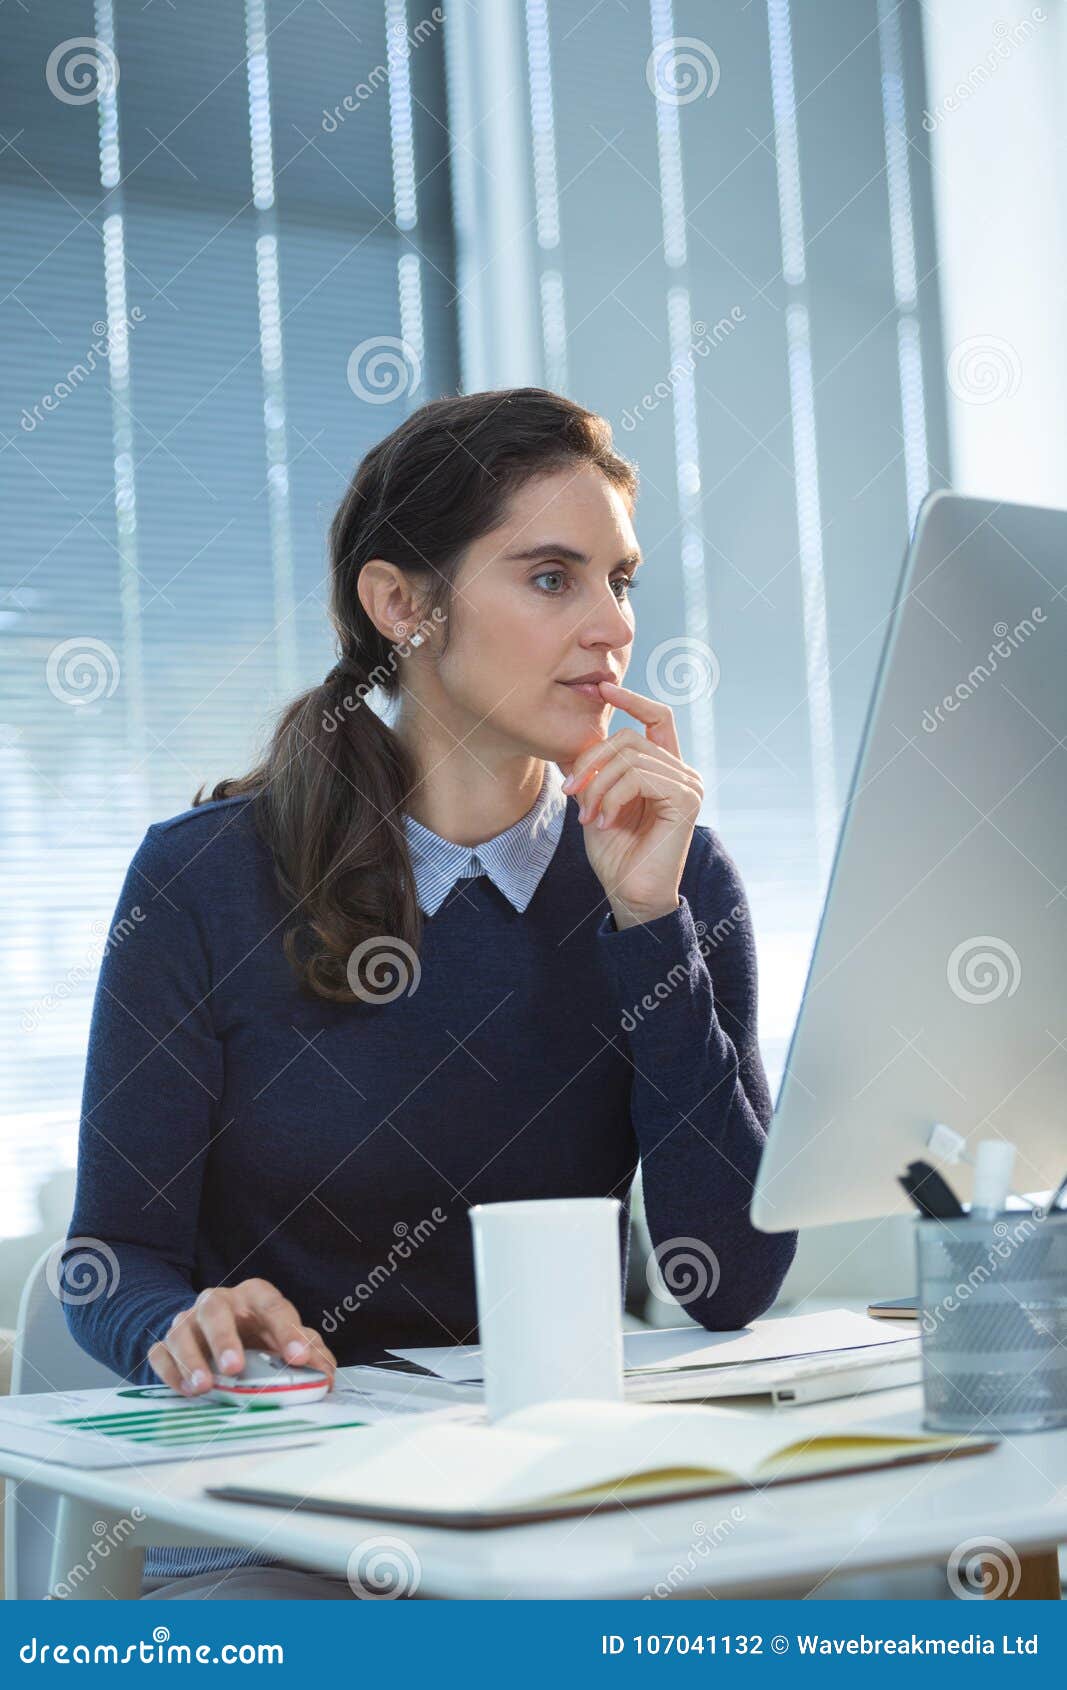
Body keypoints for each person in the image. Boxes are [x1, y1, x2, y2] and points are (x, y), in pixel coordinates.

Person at [62, 387, 797, 1599]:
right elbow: (115, 1256)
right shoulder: (202, 879)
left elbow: (726, 1278)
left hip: (562, 1500)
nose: (611, 626)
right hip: (284, 1516)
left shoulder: (669, 872)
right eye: (551, 578)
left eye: (620, 578)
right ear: (403, 606)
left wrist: (644, 926)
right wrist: (178, 1325)